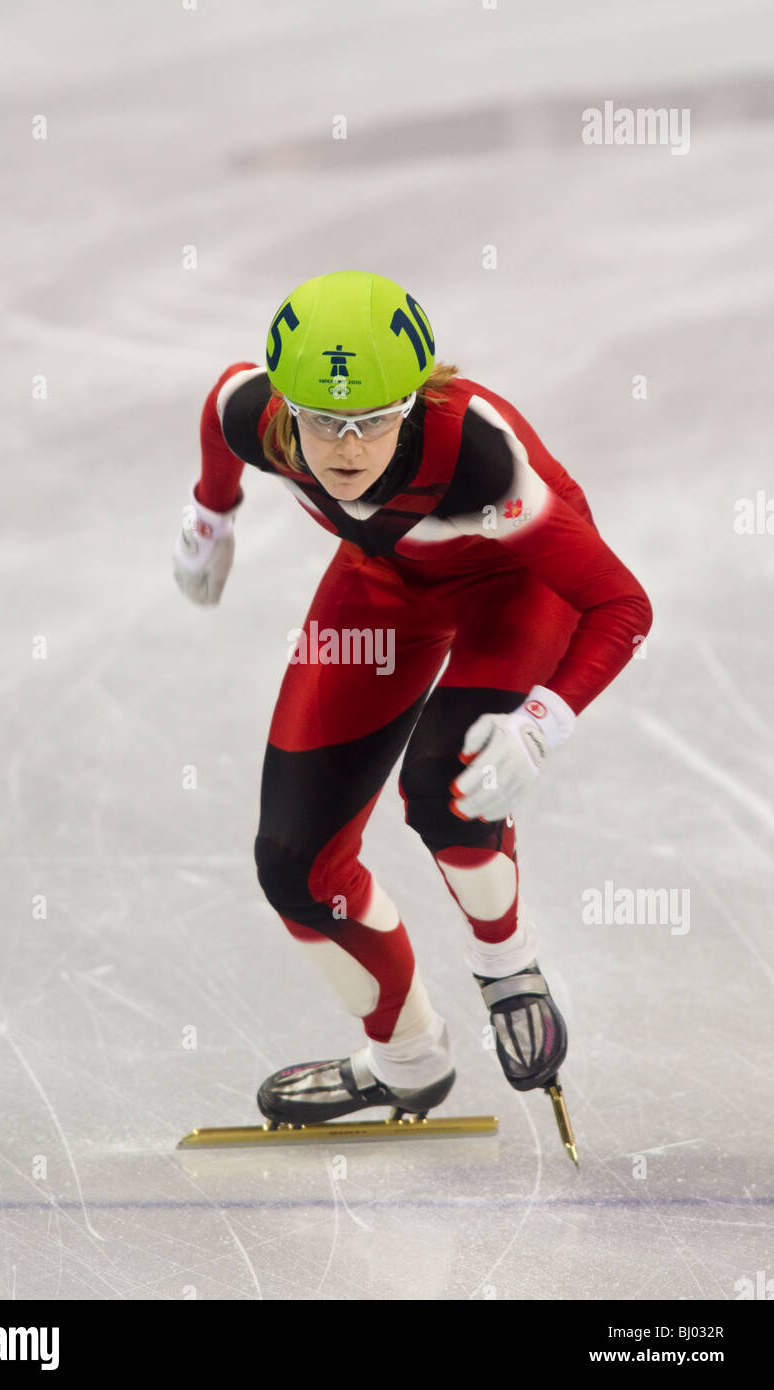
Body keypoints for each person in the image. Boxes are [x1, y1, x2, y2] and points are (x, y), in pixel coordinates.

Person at [173, 269, 652, 1127]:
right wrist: (213, 515)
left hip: (512, 586)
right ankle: (408, 1060)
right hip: (382, 587)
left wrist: (542, 723)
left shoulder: (480, 461)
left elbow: (621, 605)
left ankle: (507, 966)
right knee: (292, 867)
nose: (348, 448)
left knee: (448, 786)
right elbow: (219, 405)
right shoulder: (263, 422)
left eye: (376, 419)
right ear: (288, 407)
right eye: (325, 421)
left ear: (418, 400)